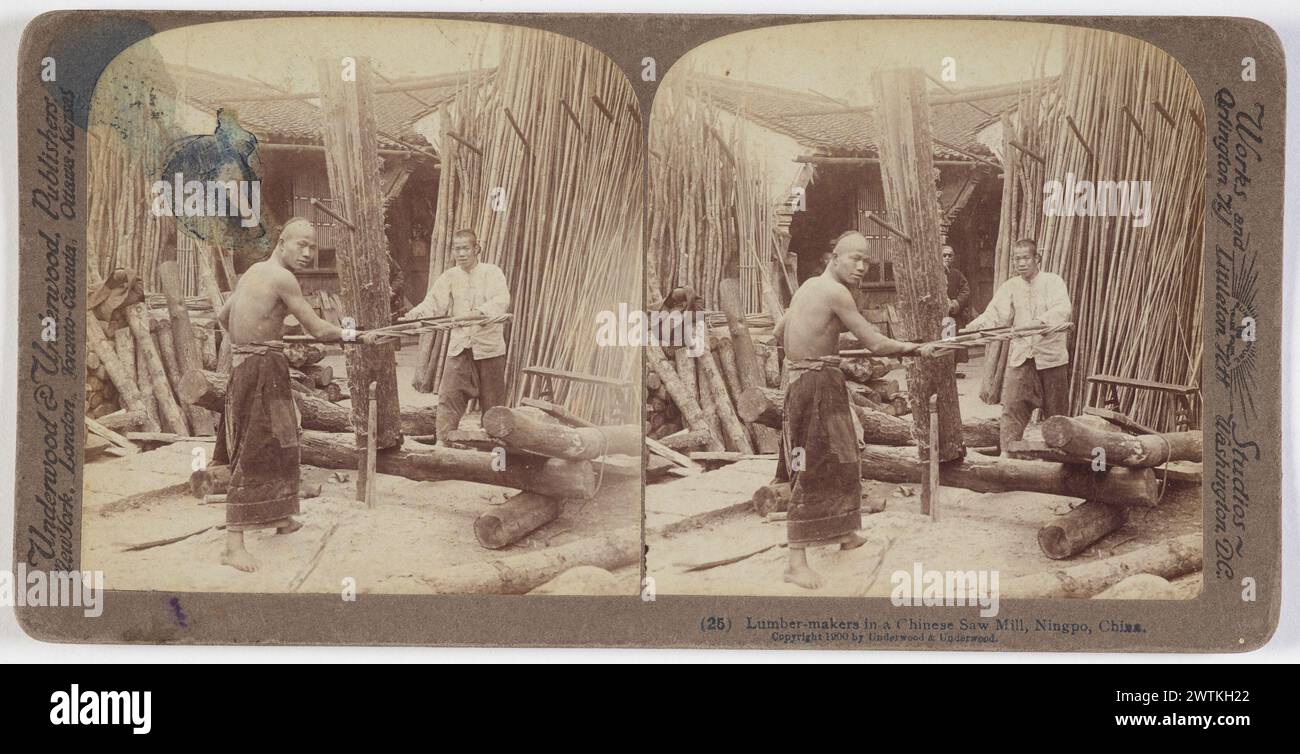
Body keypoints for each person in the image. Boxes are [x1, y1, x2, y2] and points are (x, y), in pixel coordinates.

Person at [214, 217, 390, 572]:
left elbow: (223, 316)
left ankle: (281, 517)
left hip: (254, 365)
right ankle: (233, 544)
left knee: (283, 439)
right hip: (261, 369)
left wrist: (262, 331)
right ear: (282, 242)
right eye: (302, 245)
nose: (309, 252)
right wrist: (358, 336)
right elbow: (319, 329)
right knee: (256, 447)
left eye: (313, 246)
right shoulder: (283, 278)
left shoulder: (253, 272)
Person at [773, 231, 937, 590]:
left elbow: (777, 331)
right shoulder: (836, 292)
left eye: (866, 260)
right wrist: (916, 349)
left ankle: (846, 532)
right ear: (834, 257)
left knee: (846, 455)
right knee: (814, 465)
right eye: (855, 258)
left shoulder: (807, 287)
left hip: (809, 381)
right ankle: (795, 561)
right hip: (815, 385)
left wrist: (818, 341)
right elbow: (876, 343)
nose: (862, 266)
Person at [963, 238, 1072, 450]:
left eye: (1026, 258)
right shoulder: (1011, 286)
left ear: (1036, 259)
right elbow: (996, 313)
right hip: (1022, 357)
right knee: (1011, 408)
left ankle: (1064, 459)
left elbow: (1062, 310)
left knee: (1057, 415)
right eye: (1017, 259)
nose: (1021, 263)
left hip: (1051, 358)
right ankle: (1008, 454)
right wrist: (975, 327)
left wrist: (1038, 323)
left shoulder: (1053, 282)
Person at [402, 229, 511, 442]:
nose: (461, 254)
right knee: (448, 398)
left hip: (489, 348)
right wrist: (414, 314)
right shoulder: (450, 276)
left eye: (465, 248)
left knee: (494, 406)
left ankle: (497, 447)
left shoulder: (492, 272)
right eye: (457, 249)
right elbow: (434, 302)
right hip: (461, 347)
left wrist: (477, 313)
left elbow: (501, 300)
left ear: (476, 249)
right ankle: (443, 443)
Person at [941, 244, 972, 328]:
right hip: (939, 313)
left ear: (953, 258)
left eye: (950, 255)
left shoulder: (957, 274)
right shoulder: (935, 274)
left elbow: (966, 291)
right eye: (944, 255)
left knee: (952, 337)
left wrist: (956, 304)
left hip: (954, 315)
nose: (947, 257)